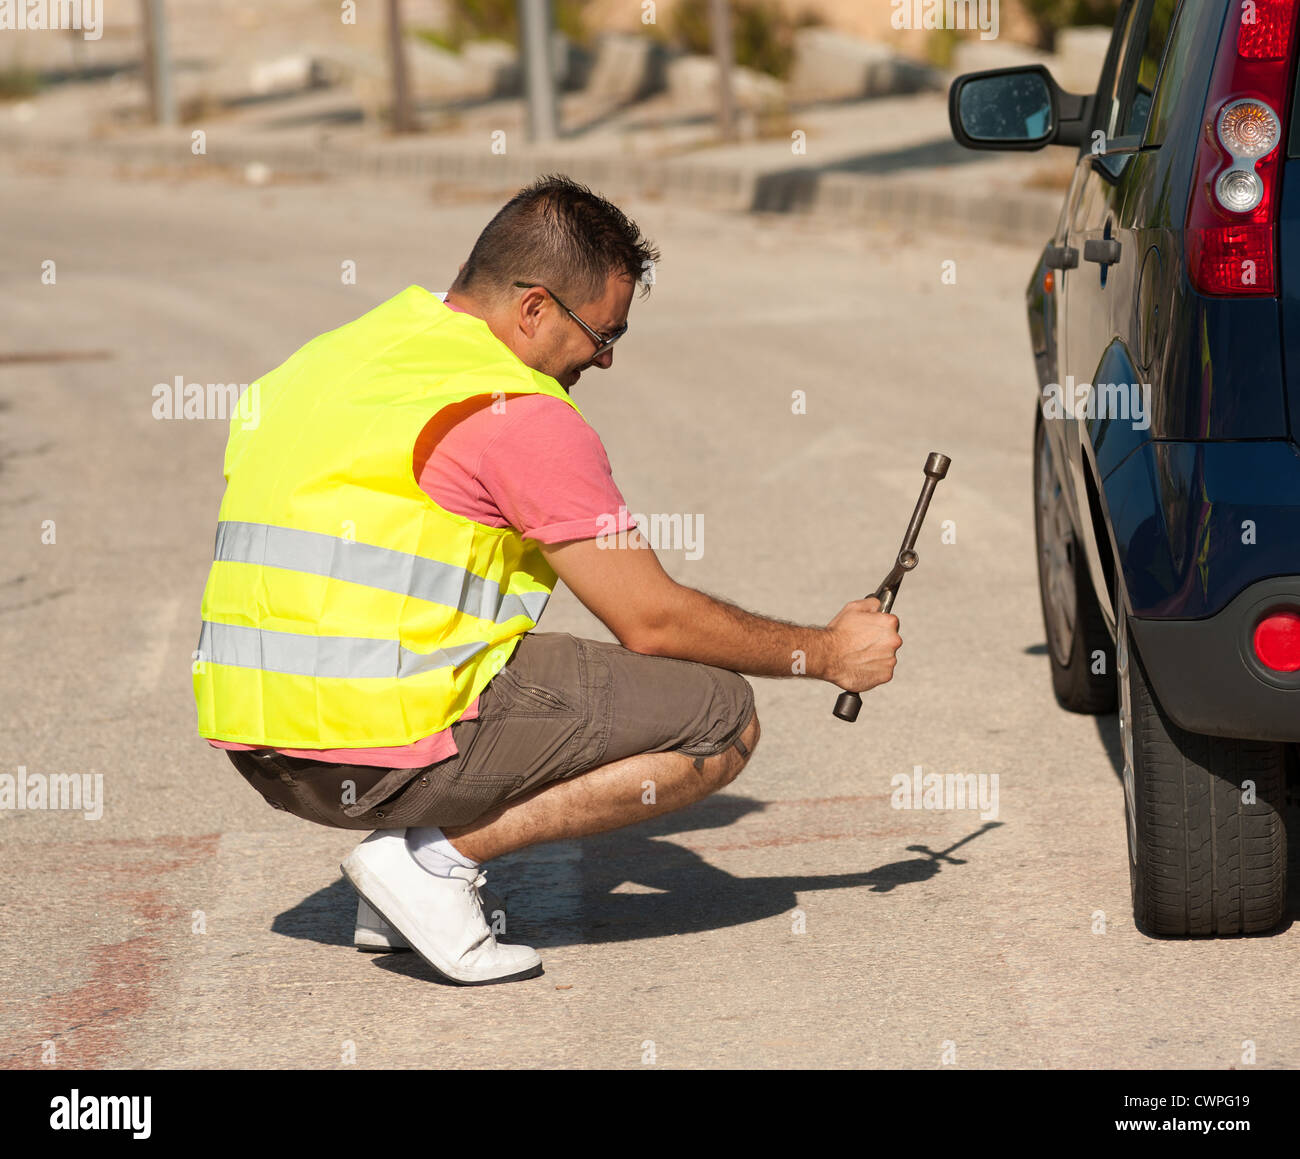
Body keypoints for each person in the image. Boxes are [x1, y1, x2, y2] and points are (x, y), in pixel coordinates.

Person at [193, 174, 902, 986]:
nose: (605, 356)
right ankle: (431, 861)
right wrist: (829, 653)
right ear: (533, 309)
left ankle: (394, 888)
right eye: (604, 332)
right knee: (720, 718)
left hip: (260, 742)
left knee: (529, 661)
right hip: (373, 745)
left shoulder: (341, 353)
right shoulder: (516, 412)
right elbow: (652, 621)